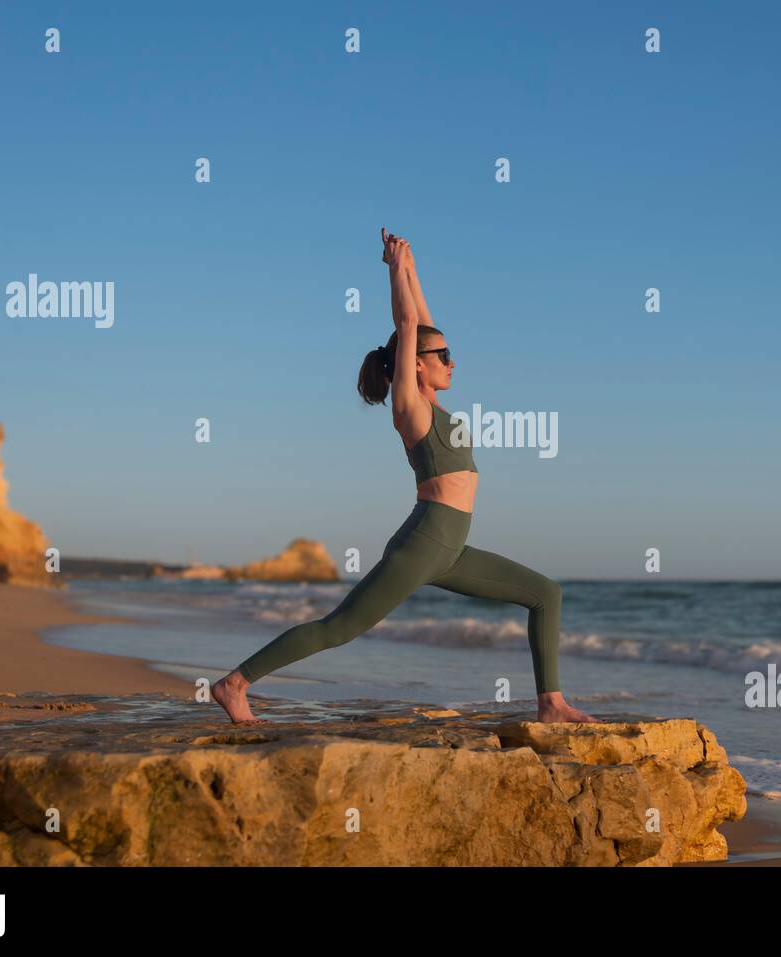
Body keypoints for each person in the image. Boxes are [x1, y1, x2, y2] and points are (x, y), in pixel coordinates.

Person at [211, 229, 596, 725]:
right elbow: (409, 322)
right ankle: (234, 684)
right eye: (443, 358)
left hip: (451, 547)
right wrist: (393, 271)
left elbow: (424, 324)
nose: (452, 362)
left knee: (547, 593)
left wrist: (412, 266)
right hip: (426, 539)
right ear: (416, 365)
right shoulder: (409, 406)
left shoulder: (431, 397)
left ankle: (552, 705)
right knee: (340, 628)